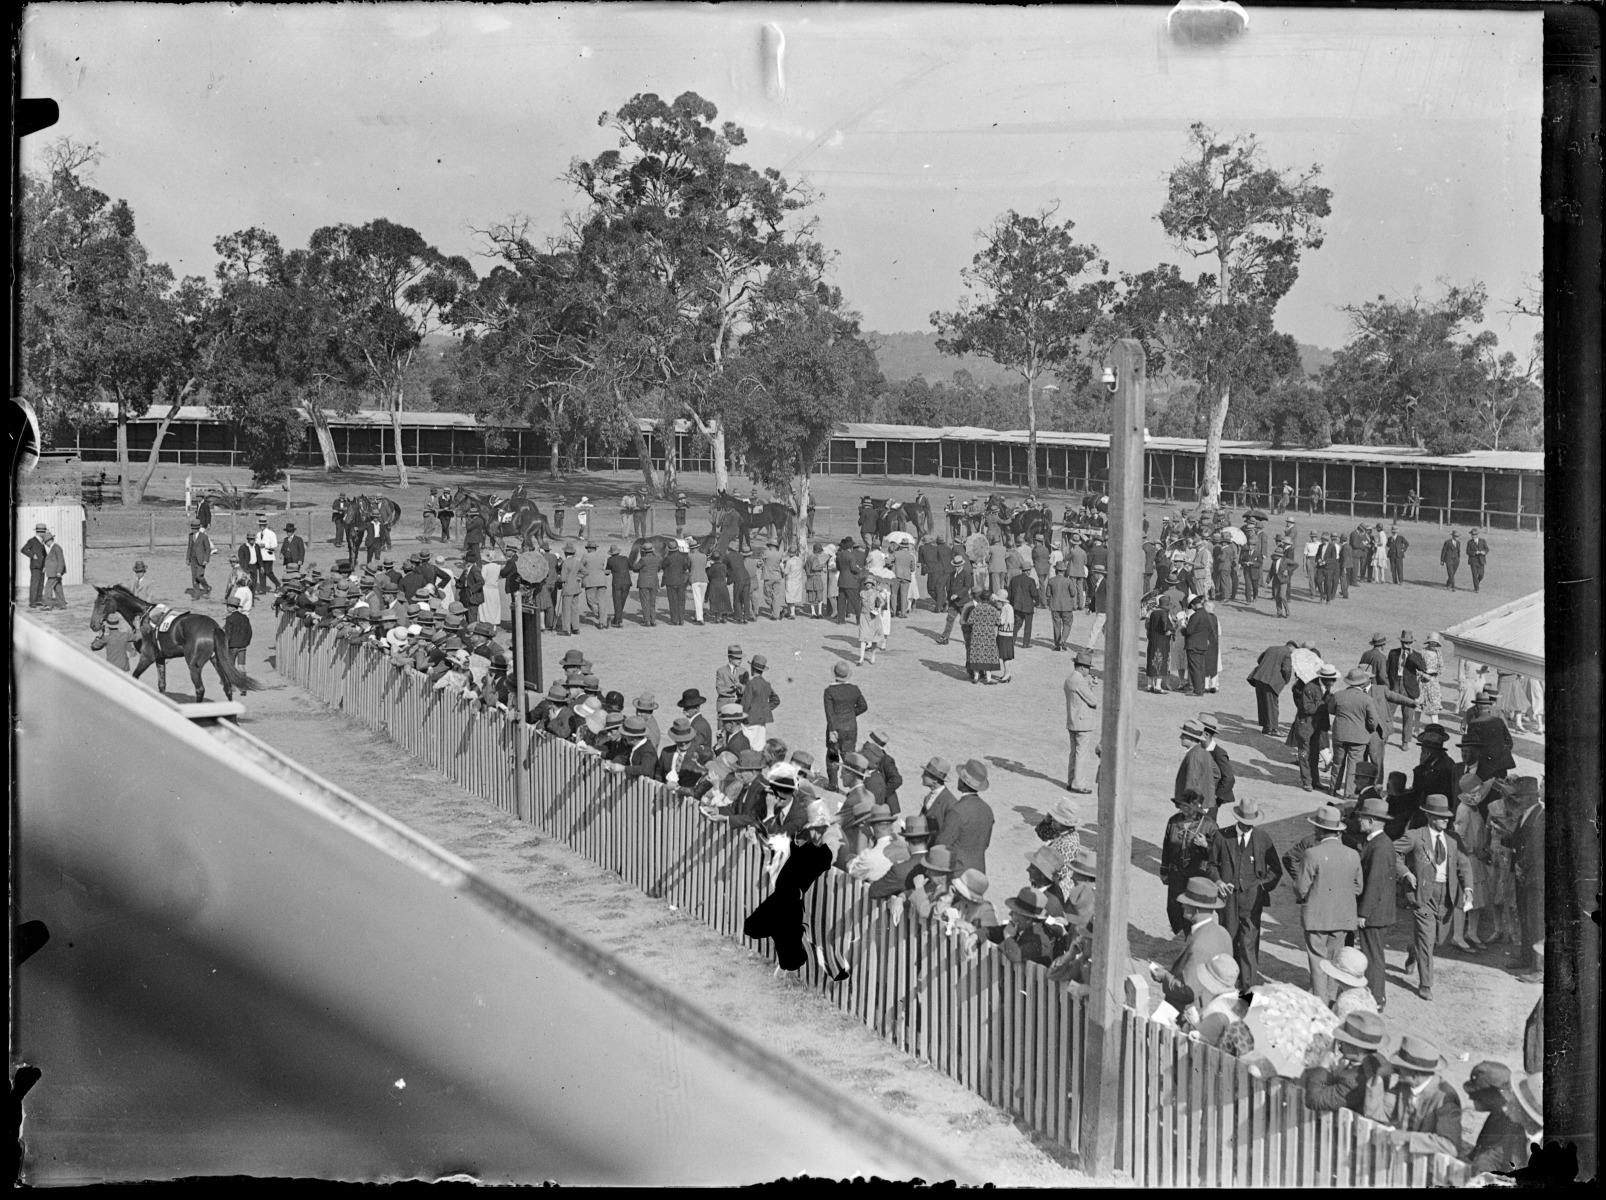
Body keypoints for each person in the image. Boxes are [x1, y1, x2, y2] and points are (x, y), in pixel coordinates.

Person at [1394, 794, 1473, 1002]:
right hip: (1422, 894)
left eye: (1447, 817)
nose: (1445, 820)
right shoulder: (1415, 836)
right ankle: (1425, 984)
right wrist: (1405, 872)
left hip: (1447, 894)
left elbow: (1464, 864)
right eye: (1440, 817)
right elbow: (1392, 851)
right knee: (1427, 940)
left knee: (1437, 940)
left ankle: (1413, 949)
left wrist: (1468, 889)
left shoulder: (1453, 839)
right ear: (1429, 816)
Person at [1207, 799, 1283, 991]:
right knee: (1229, 940)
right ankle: (1228, 986)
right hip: (1228, 900)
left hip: (1252, 902)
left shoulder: (1263, 838)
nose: (1246, 827)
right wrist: (1218, 882)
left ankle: (1248, 991)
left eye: (1250, 824)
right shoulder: (1222, 836)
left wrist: (1261, 887)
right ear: (1237, 819)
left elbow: (1276, 870)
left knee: (1248, 945)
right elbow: (1211, 865)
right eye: (1243, 823)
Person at [1294, 804, 1363, 1004]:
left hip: (1317, 916)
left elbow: (1300, 888)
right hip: (1343, 916)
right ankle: (1331, 998)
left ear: (1321, 830)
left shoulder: (1312, 854)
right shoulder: (1353, 854)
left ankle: (1319, 1002)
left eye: (1316, 826)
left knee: (1317, 961)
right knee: (1334, 960)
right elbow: (1358, 887)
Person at [1367, 1035, 1463, 1157]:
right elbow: (1376, 1114)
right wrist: (1379, 1075)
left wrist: (1407, 1137)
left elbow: (1451, 1146)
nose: (1396, 1069)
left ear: (1415, 1073)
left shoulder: (1445, 1098)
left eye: (1401, 1066)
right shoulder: (1405, 1085)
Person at [1149, 877, 1234, 1010]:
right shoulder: (1223, 934)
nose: (1182, 905)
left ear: (1197, 910)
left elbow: (1188, 991)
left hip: (1191, 1016)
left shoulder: (1199, 945)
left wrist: (1165, 977)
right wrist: (1173, 970)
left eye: (1186, 902)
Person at [1350, 793, 1398, 1010]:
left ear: (1370, 821)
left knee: (1373, 956)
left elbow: (1375, 883)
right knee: (1373, 954)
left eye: (1362, 818)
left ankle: (1377, 998)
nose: (1359, 821)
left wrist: (1363, 913)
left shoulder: (1379, 846)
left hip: (1375, 913)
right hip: (1379, 911)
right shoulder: (1380, 842)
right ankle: (1376, 995)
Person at [1302, 1011, 1391, 1116]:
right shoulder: (1379, 1061)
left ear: (1358, 1050)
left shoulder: (1353, 1081)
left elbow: (1313, 1100)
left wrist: (1324, 1064)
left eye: (1343, 1042)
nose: (1339, 1046)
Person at [1500, 776, 1545, 981]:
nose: (1519, 800)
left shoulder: (1540, 816)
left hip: (1535, 877)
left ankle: (1540, 968)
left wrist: (1521, 865)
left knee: (1536, 920)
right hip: (1522, 876)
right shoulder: (1525, 815)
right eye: (1518, 796)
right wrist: (1505, 835)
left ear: (1533, 796)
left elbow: (1536, 849)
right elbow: (1519, 840)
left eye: (1523, 796)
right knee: (1525, 918)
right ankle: (1527, 958)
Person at [1160, 791, 1218, 936]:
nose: (1182, 809)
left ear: (1195, 807)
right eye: (1181, 806)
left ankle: (1190, 938)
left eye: (1186, 806)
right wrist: (1164, 870)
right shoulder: (1173, 822)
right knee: (1173, 907)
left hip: (1198, 875)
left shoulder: (1208, 825)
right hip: (1177, 873)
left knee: (1192, 909)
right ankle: (1181, 935)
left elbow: (1219, 851)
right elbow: (1167, 846)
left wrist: (1206, 844)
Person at [1464, 1062, 1531, 1175]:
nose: (1471, 1098)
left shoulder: (1513, 1125)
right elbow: (1479, 1150)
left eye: (1478, 1095)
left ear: (1498, 1093)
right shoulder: (1498, 1113)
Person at [932, 759, 994, 875]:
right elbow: (985, 844)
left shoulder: (957, 810)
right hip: (978, 872)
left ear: (963, 782)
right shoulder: (987, 810)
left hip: (957, 873)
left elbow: (942, 843)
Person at [822, 661, 867, 791]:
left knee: (832, 756)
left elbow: (829, 713)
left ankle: (833, 784)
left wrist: (832, 730)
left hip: (835, 729)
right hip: (851, 728)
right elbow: (863, 706)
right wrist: (851, 715)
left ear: (835, 674)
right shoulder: (854, 689)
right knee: (849, 758)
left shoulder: (829, 691)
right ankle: (854, 787)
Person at [1063, 651, 1099, 794]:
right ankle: (1078, 784)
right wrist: (1089, 686)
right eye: (1088, 667)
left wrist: (1088, 685)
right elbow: (1093, 701)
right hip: (1083, 722)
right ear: (1083, 667)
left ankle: (1071, 781)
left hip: (1072, 720)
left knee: (1074, 753)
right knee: (1081, 754)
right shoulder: (1079, 681)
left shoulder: (1070, 679)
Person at [1248, 640, 1296, 736]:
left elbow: (1259, 660)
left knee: (1263, 703)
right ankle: (1273, 729)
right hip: (1270, 681)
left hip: (1258, 677)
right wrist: (1285, 680)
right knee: (1272, 705)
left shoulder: (1271, 648)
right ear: (1292, 647)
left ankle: (1266, 727)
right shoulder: (1287, 653)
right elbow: (1286, 669)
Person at [960, 589, 1002, 685]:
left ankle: (976, 677)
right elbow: (999, 622)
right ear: (989, 599)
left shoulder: (976, 609)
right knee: (988, 656)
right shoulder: (993, 610)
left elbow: (970, 621)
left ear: (981, 598)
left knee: (976, 655)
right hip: (989, 636)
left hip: (977, 635)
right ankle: (988, 678)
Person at [1181, 597, 1216, 696]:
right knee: (1201, 667)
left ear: (1192, 605)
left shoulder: (1195, 615)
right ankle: (1201, 688)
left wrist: (1184, 628)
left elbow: (1189, 631)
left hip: (1193, 645)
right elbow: (1209, 629)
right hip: (1203, 645)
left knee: (1194, 668)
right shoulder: (1206, 614)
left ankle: (1198, 690)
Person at [857, 572, 890, 665]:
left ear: (872, 585)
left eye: (870, 583)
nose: (868, 585)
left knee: (874, 638)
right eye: (867, 583)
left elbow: (883, 602)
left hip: (873, 616)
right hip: (864, 615)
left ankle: (873, 656)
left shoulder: (876, 593)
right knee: (863, 636)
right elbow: (860, 604)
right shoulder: (861, 593)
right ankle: (861, 658)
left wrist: (877, 608)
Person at [662, 540, 691, 626]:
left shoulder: (668, 558)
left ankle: (674, 619)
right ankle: (681, 619)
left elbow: (662, 566)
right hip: (681, 581)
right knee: (681, 601)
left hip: (670, 581)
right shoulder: (682, 557)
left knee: (672, 601)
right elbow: (686, 567)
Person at [22, 523, 49, 607]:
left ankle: (38, 601)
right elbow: (23, 549)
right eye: (44, 532)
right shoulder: (32, 541)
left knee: (41, 584)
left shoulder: (41, 542)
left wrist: (45, 565)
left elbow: (44, 555)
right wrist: (32, 555)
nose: (45, 534)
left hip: (42, 567)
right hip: (35, 566)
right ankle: (32, 602)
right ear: (40, 532)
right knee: (35, 584)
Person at [186, 519, 214, 598]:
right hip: (193, 559)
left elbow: (208, 549)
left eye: (194, 529)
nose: (193, 530)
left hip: (201, 560)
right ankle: (196, 594)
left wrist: (206, 559)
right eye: (192, 528)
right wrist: (187, 558)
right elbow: (189, 547)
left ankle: (207, 587)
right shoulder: (190, 536)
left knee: (199, 576)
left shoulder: (204, 536)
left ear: (198, 528)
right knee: (194, 577)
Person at [224, 594, 253, 669]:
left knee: (230, 666)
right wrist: (246, 643)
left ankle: (230, 681)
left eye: (228, 606)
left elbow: (228, 634)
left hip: (232, 646)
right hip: (243, 645)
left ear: (232, 607)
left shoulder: (229, 618)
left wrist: (225, 645)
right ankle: (244, 680)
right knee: (241, 665)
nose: (227, 608)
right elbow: (249, 632)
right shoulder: (245, 617)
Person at [1465, 526, 1490, 592]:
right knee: (1474, 575)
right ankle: (1476, 589)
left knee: (1481, 575)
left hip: (1481, 561)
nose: (1472, 536)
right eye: (1471, 535)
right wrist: (1474, 553)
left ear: (1477, 535)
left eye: (1473, 535)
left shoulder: (1483, 541)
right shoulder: (1469, 542)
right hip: (1473, 561)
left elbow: (1487, 549)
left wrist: (1484, 552)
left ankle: (1477, 583)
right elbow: (1467, 551)